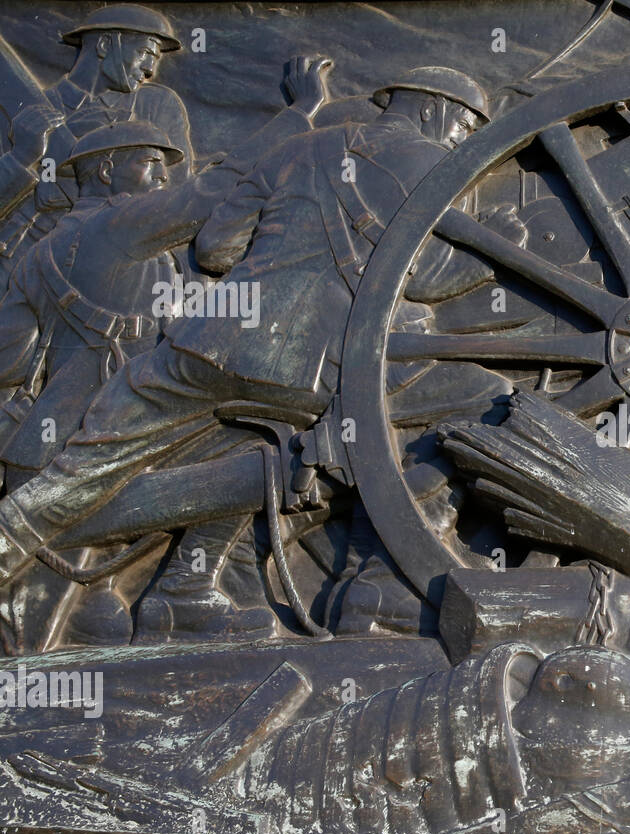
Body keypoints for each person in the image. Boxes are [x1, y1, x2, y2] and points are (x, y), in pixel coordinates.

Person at [0, 67, 523, 614]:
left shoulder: (300, 147)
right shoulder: (439, 168)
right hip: (323, 369)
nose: (464, 139)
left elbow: (216, 250)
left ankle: (168, 578)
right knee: (480, 401)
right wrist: (496, 249)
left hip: (209, 345)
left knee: (97, 457)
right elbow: (427, 278)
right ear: (432, 110)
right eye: (464, 126)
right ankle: (377, 573)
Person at [0, 57, 330, 650]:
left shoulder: (39, 252)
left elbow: (9, 363)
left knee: (254, 434)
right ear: (106, 170)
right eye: (151, 164)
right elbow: (215, 189)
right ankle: (182, 592)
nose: (160, 180)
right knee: (273, 455)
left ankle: (186, 593)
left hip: (39, 450)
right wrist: (299, 114)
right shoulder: (119, 227)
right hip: (99, 461)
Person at [0, 4, 194, 279]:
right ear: (105, 44)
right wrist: (21, 157)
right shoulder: (25, 112)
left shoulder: (157, 105)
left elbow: (178, 199)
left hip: (121, 269)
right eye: (145, 52)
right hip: (28, 264)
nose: (151, 68)